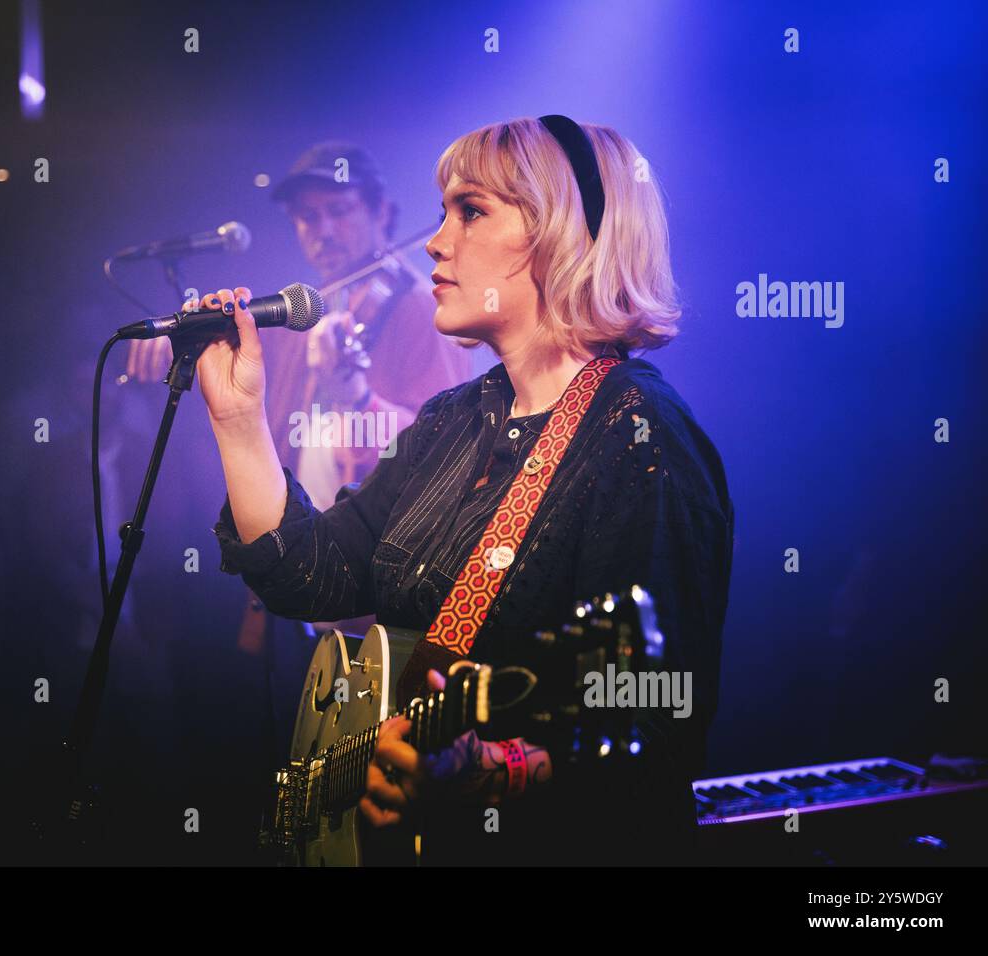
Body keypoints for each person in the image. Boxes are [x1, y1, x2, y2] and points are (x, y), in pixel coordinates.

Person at [192, 115, 733, 864]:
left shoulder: (640, 437)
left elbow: (657, 726)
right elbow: (309, 575)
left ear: (559, 236)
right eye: (445, 212)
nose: (435, 241)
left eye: (470, 211)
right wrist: (237, 417)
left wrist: (484, 771)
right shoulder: (456, 418)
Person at [126, 142, 472, 774]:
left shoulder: (423, 310)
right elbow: (271, 441)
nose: (322, 230)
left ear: (382, 214)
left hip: (375, 613)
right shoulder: (303, 312)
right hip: (300, 585)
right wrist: (188, 351)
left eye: (338, 210)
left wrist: (360, 397)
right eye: (307, 218)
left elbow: (445, 453)